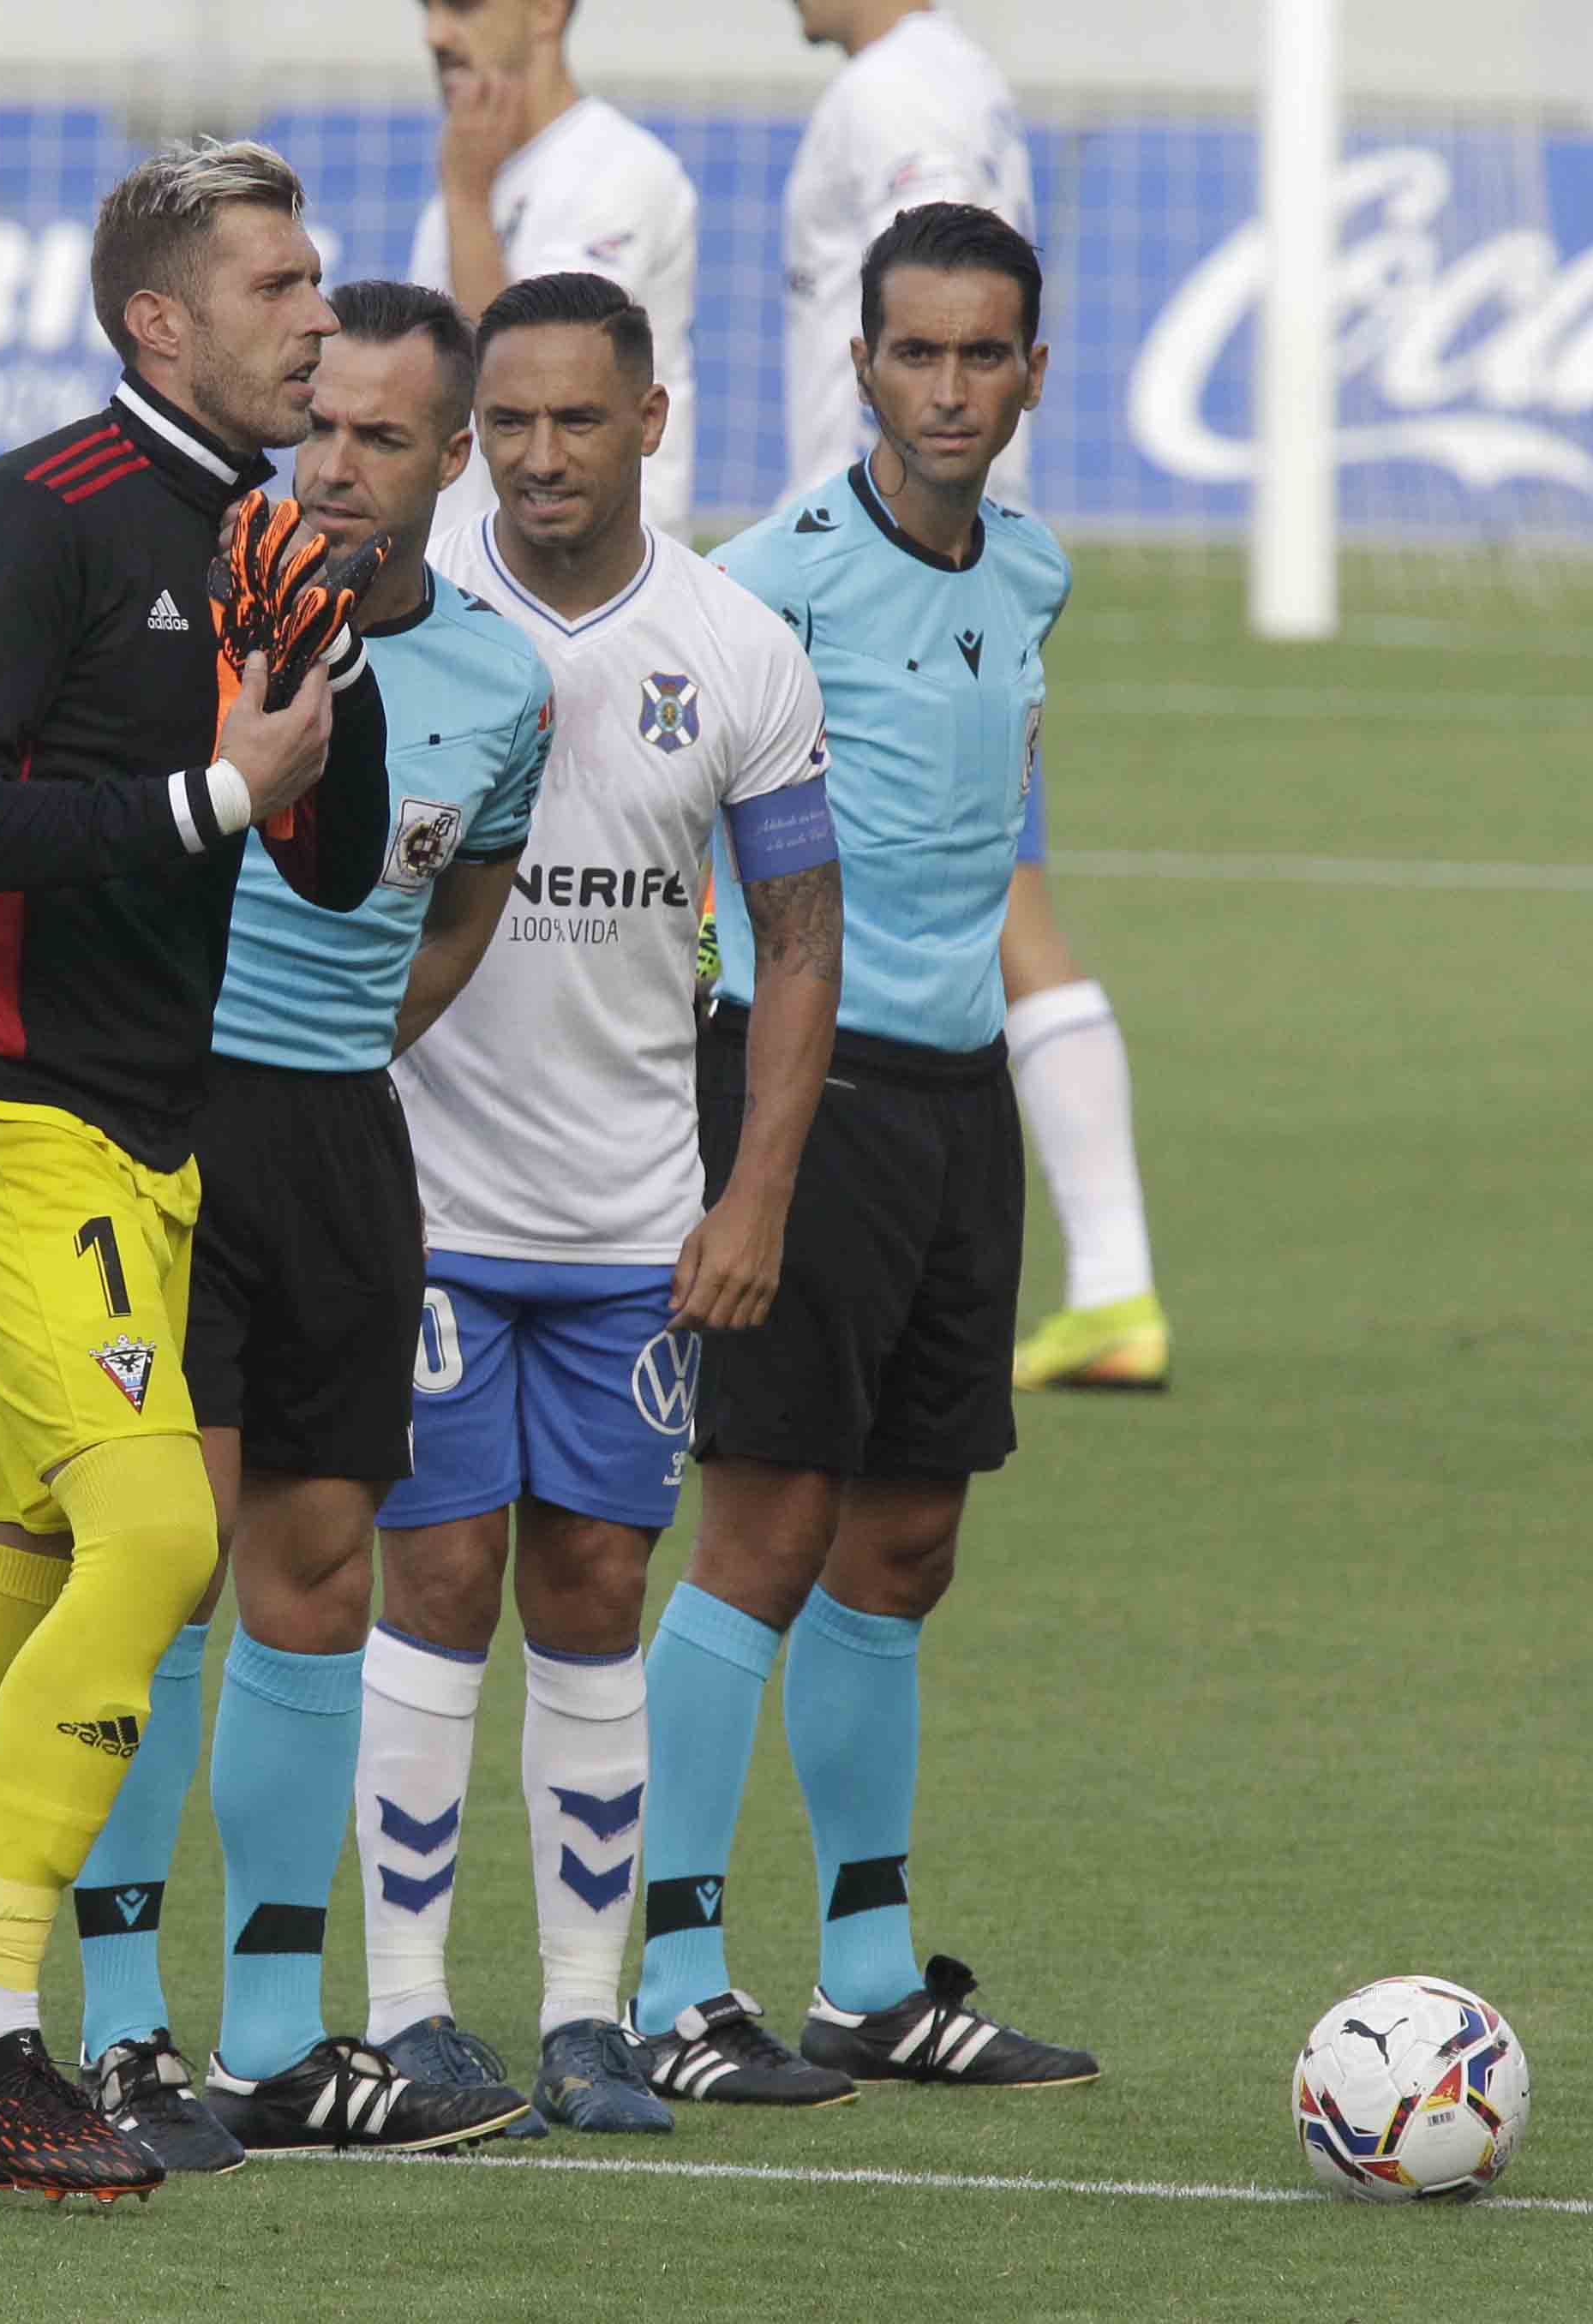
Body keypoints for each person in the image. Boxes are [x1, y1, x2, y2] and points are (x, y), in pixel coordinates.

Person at [0, 140, 395, 2204]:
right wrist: (221, 779)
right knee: (156, 1543)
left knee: (21, 1572)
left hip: (149, 1132)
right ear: (163, 319)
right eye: (281, 284)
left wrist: (342, 650)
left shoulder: (258, 525)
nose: (320, 313)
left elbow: (320, 843)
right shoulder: (27, 523)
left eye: (320, 279)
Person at [358, 273, 849, 2136]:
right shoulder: (412, 613)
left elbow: (801, 944)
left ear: (656, 419)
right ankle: (406, 2011)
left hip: (637, 1222)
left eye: (580, 420)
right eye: (508, 425)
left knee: (593, 1583)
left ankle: (587, 2019)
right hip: (423, 1204)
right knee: (440, 1571)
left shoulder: (736, 646)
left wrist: (755, 1199)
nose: (541, 457)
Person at [68, 282, 548, 2167]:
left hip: (344, 1143)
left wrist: (340, 1056)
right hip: (167, 1128)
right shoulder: (196, 606)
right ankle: (120, 2032)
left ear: (451, 460)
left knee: (319, 1572)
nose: (334, 466)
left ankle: (274, 2031)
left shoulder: (503, 686)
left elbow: (456, 920)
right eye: (319, 426)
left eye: (381, 440)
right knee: (159, 1563)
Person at [639, 201, 1102, 2098]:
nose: (949, 387)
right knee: (764, 1527)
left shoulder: (1040, 573)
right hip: (793, 1097)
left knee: (908, 1533)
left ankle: (869, 1972)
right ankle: (673, 1980)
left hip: (956, 1107)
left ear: (1033, 376)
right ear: (860, 367)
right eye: (916, 352)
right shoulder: (761, 587)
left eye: (983, 354)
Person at [778, 0, 1167, 1392]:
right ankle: (1111, 1283)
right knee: (1000, 910)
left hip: (894, 600)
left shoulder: (901, 102)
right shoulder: (950, 78)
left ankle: (1100, 1279)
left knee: (939, 917)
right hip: (914, 591)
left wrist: (893, 559)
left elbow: (939, 323)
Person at [410, 0, 699, 543]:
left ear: (546, 11)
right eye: (425, 8)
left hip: (600, 585)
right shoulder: (451, 201)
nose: (435, 33)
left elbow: (541, 370)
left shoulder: (622, 169)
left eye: (462, 6)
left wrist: (469, 201)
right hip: (478, 572)